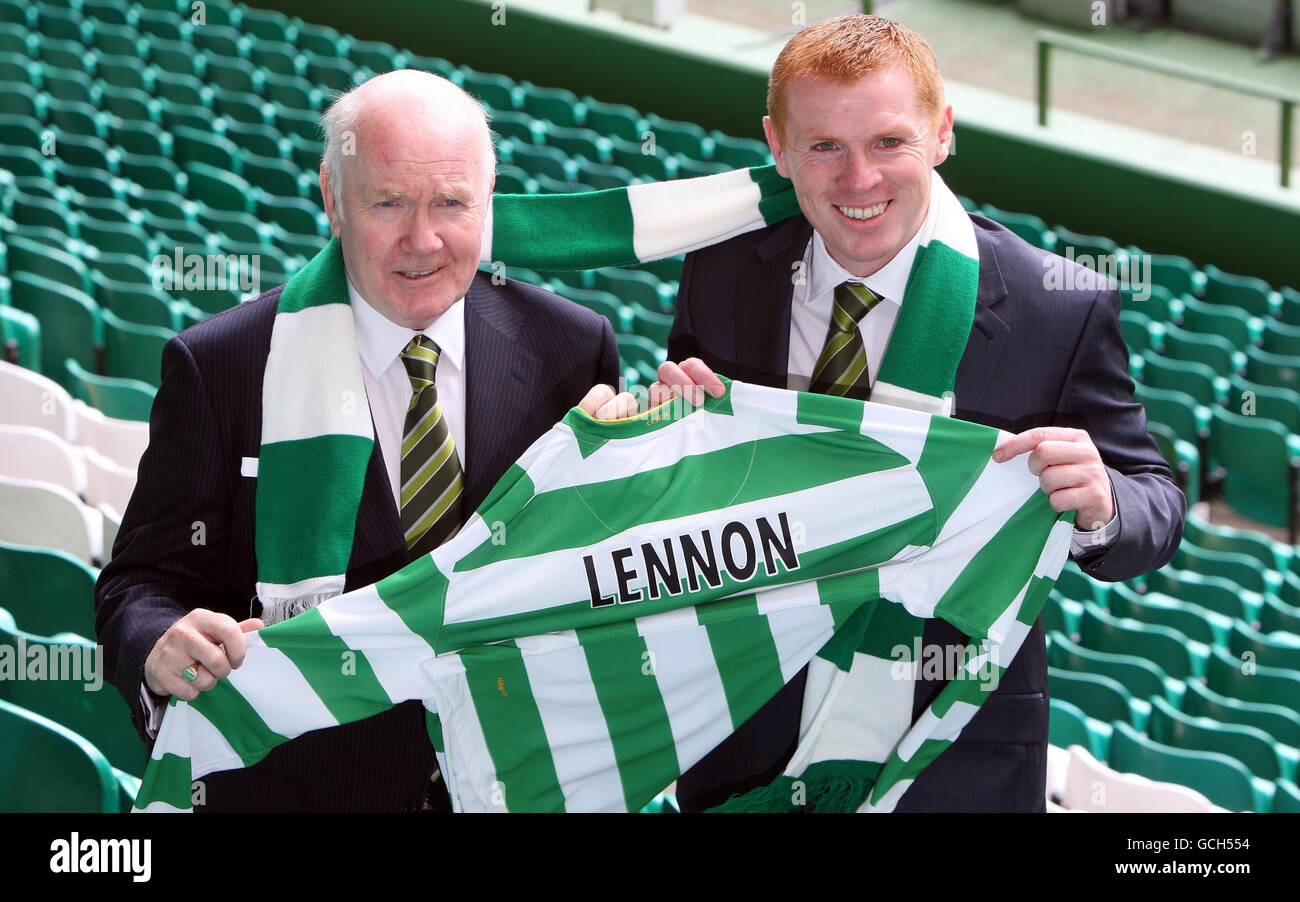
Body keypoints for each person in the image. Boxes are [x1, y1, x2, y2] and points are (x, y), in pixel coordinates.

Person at [621, 14, 1184, 811]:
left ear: (942, 133)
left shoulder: (1054, 307)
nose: (860, 180)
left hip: (947, 748)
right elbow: (693, 486)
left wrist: (1105, 503)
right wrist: (664, 434)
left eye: (889, 142)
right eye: (825, 147)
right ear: (777, 146)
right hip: (743, 721)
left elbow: (1157, 506)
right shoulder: (723, 269)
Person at [94, 70, 620, 812]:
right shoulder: (222, 365)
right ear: (332, 200)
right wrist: (159, 639)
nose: (423, 240)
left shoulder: (573, 349)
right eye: (389, 203)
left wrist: (665, 440)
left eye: (451, 203)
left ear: (489, 204)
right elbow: (137, 584)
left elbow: (599, 568)